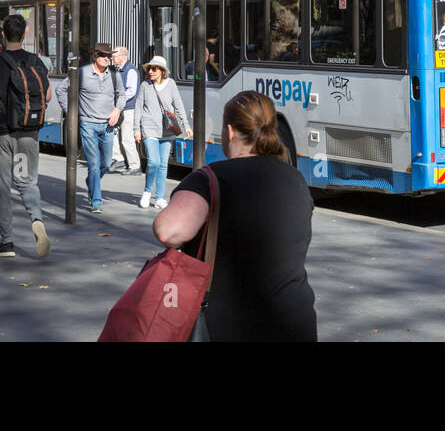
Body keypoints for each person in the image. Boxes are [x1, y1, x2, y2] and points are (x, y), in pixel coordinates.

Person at [154, 91, 316, 341]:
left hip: (232, 326)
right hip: (293, 322)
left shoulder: (211, 178)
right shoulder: (295, 179)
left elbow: (169, 231)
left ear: (229, 132)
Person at [0, 14, 51, 259]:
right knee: (27, 181)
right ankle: (36, 218)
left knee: (1, 187)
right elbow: (47, 96)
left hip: (2, 133)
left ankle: (7, 242)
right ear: (26, 32)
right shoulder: (35, 61)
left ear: (3, 34)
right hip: (29, 132)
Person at [54, 42, 121, 214]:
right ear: (94, 56)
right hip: (87, 124)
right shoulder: (82, 72)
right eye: (103, 55)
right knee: (93, 163)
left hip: (108, 125)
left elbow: (122, 94)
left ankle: (91, 182)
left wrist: (117, 109)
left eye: (109, 56)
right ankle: (96, 201)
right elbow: (61, 90)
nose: (107, 58)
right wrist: (71, 113)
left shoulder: (114, 74)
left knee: (106, 164)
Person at [134, 56, 191, 209]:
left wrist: (186, 125)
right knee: (154, 162)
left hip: (167, 130)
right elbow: (138, 107)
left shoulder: (171, 84)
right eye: (149, 69)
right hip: (149, 128)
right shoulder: (145, 85)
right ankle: (147, 192)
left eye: (154, 69)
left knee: (163, 165)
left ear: (162, 71)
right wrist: (136, 129)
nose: (150, 71)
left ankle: (159, 198)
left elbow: (178, 106)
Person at [111, 46, 141, 175]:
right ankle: (119, 159)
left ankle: (135, 166)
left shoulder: (131, 71)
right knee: (114, 134)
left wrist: (119, 101)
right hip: (119, 107)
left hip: (128, 109)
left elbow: (131, 92)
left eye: (114, 57)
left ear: (122, 56)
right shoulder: (117, 69)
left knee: (127, 138)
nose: (112, 59)